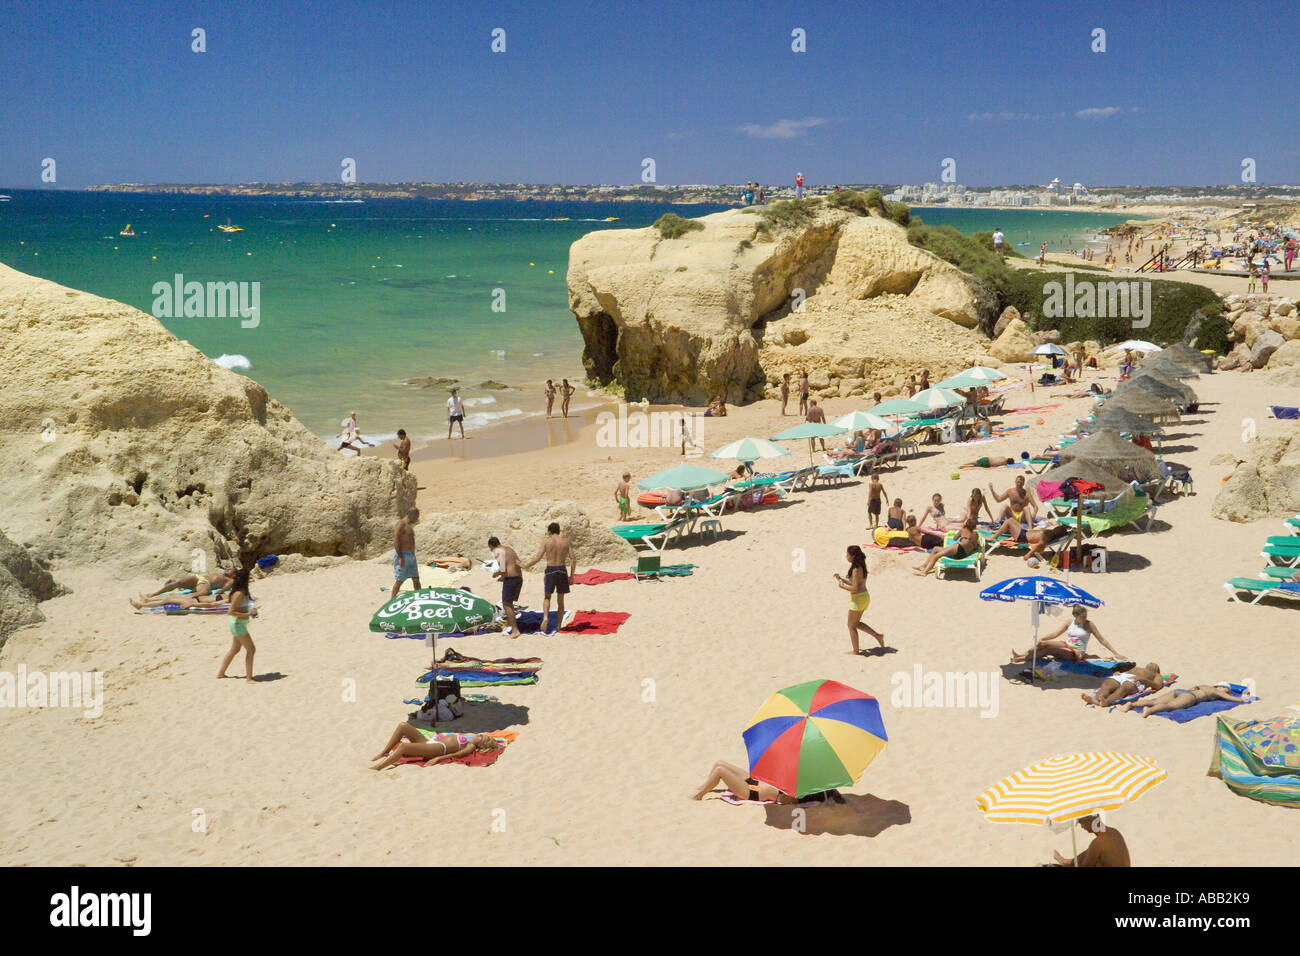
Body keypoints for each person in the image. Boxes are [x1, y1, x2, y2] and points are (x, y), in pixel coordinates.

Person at [1009, 604, 1122, 664]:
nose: (1085, 618)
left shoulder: (1089, 625)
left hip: (1077, 651)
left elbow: (1102, 640)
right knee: (1043, 643)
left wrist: (1116, 653)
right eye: (1083, 616)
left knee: (1048, 650)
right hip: (1065, 644)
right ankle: (1021, 655)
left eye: (1086, 615)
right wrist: (1043, 638)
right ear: (1075, 616)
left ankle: (1022, 659)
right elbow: (1056, 633)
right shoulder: (1069, 622)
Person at [370, 721, 501, 770]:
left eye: (483, 738)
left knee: (403, 747)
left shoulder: (471, 745)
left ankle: (380, 766)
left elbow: (458, 754)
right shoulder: (472, 736)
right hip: (431, 742)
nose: (481, 735)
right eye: (483, 735)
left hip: (437, 749)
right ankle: (384, 752)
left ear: (481, 745)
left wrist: (439, 758)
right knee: (403, 725)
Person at [523, 522, 576, 635]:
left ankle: (546, 617)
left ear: (550, 532)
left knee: (547, 597)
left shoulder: (546, 542)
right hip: (562, 570)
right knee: (560, 600)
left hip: (550, 570)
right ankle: (559, 626)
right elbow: (573, 559)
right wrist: (572, 576)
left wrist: (527, 565)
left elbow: (538, 557)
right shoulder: (565, 542)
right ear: (558, 531)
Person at [833, 545, 884, 654]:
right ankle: (878, 636)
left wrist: (842, 586)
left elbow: (854, 588)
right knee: (855, 624)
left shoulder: (856, 569)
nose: (846, 556)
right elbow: (855, 583)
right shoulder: (860, 566)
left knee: (851, 626)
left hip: (858, 599)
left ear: (853, 556)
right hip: (863, 597)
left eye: (847, 554)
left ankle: (855, 651)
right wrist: (841, 579)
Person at [216, 566, 257, 682]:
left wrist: (252, 610)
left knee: (234, 650)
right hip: (237, 624)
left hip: (239, 624)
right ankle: (249, 678)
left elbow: (245, 605)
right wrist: (247, 615)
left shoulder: (243, 591)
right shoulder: (238, 594)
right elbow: (231, 611)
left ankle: (220, 673)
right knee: (251, 649)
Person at [1119, 683, 1251, 718]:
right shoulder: (1215, 691)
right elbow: (1232, 698)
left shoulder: (1203, 685)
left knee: (1155, 700)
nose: (1225, 692)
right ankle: (1149, 711)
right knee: (1170, 706)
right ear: (1219, 687)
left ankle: (1132, 704)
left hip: (1182, 691)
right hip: (1190, 697)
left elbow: (1190, 689)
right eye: (1225, 689)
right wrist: (1243, 699)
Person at [692, 759, 795, 803]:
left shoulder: (795, 793)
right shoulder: (792, 777)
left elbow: (786, 800)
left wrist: (791, 798)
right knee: (720, 763)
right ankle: (705, 786)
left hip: (751, 792)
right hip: (754, 781)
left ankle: (698, 796)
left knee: (720, 771)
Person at [1051, 815, 1130, 867]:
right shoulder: (1114, 831)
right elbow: (1089, 853)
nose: (1081, 826)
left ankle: (1066, 862)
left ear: (1089, 822)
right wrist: (1068, 861)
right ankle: (1067, 862)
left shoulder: (1098, 843)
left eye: (1081, 822)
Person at [914, 518, 978, 576]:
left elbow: (954, 538)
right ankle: (923, 566)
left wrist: (961, 533)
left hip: (959, 548)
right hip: (964, 554)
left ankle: (924, 572)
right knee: (935, 548)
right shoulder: (975, 534)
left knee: (936, 556)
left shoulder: (962, 530)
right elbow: (975, 546)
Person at [1081, 662, 1164, 707]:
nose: (1152, 664)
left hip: (1138, 680)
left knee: (1125, 687)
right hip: (1124, 676)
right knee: (1108, 683)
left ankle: (1107, 701)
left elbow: (1157, 686)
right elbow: (1127, 672)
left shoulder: (1156, 675)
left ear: (1157, 670)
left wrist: (1144, 680)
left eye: (1155, 665)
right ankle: (1095, 699)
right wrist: (1119, 673)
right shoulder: (1139, 668)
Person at [488, 536, 524, 637]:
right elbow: (518, 562)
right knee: (510, 603)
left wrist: (496, 573)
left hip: (511, 579)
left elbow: (503, 570)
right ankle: (509, 622)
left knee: (507, 604)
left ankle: (515, 630)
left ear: (491, 546)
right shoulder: (509, 549)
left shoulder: (498, 551)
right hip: (519, 578)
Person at [139, 567, 234, 601]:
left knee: (203, 592)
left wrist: (220, 591)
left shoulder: (230, 580)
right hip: (199, 577)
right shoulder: (221, 574)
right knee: (177, 583)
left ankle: (169, 598)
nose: (228, 569)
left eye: (231, 569)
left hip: (205, 583)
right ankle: (153, 594)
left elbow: (225, 588)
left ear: (234, 574)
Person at [391, 508, 421, 600]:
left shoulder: (409, 526)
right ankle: (392, 600)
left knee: (416, 579)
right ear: (412, 515)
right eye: (416, 516)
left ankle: (420, 597)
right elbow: (396, 541)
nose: (417, 519)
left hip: (411, 555)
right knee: (400, 580)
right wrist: (400, 557)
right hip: (403, 555)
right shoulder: (401, 524)